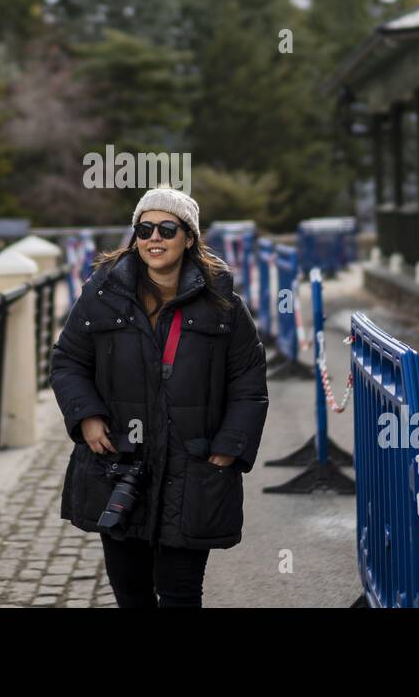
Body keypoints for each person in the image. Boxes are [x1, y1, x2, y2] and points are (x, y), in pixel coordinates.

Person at [49, 187, 268, 607]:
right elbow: (68, 360)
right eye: (144, 228)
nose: (155, 238)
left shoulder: (223, 306)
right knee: (131, 593)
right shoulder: (101, 295)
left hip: (193, 470)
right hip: (119, 466)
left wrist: (226, 451)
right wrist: (87, 417)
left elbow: (248, 384)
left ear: (189, 238)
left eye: (167, 229)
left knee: (181, 594)